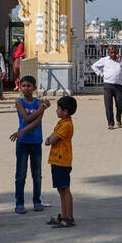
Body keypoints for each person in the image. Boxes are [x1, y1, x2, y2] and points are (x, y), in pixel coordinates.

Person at [9, 75, 48, 214]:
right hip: (23, 144)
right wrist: (43, 107)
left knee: (37, 174)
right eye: (23, 86)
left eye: (28, 86)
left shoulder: (38, 102)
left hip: (36, 142)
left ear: (34, 88)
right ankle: (19, 203)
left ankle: (37, 201)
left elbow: (37, 122)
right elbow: (26, 118)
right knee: (21, 174)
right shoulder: (19, 102)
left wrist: (21, 132)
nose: (25, 88)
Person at [46, 95, 76, 228]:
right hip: (57, 160)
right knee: (61, 189)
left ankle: (68, 217)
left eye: (58, 108)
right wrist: (50, 138)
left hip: (62, 161)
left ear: (65, 112)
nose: (56, 110)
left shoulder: (67, 124)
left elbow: (53, 139)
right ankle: (64, 215)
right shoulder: (62, 123)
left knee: (65, 189)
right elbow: (52, 136)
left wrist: (50, 139)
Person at [91, 45, 122, 129]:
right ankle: (110, 123)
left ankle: (118, 117)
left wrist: (121, 61)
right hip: (107, 85)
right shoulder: (104, 60)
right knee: (108, 105)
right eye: (111, 52)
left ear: (117, 52)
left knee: (120, 103)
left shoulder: (120, 60)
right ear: (108, 53)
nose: (113, 54)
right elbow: (94, 66)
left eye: (114, 52)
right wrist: (101, 74)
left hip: (118, 86)